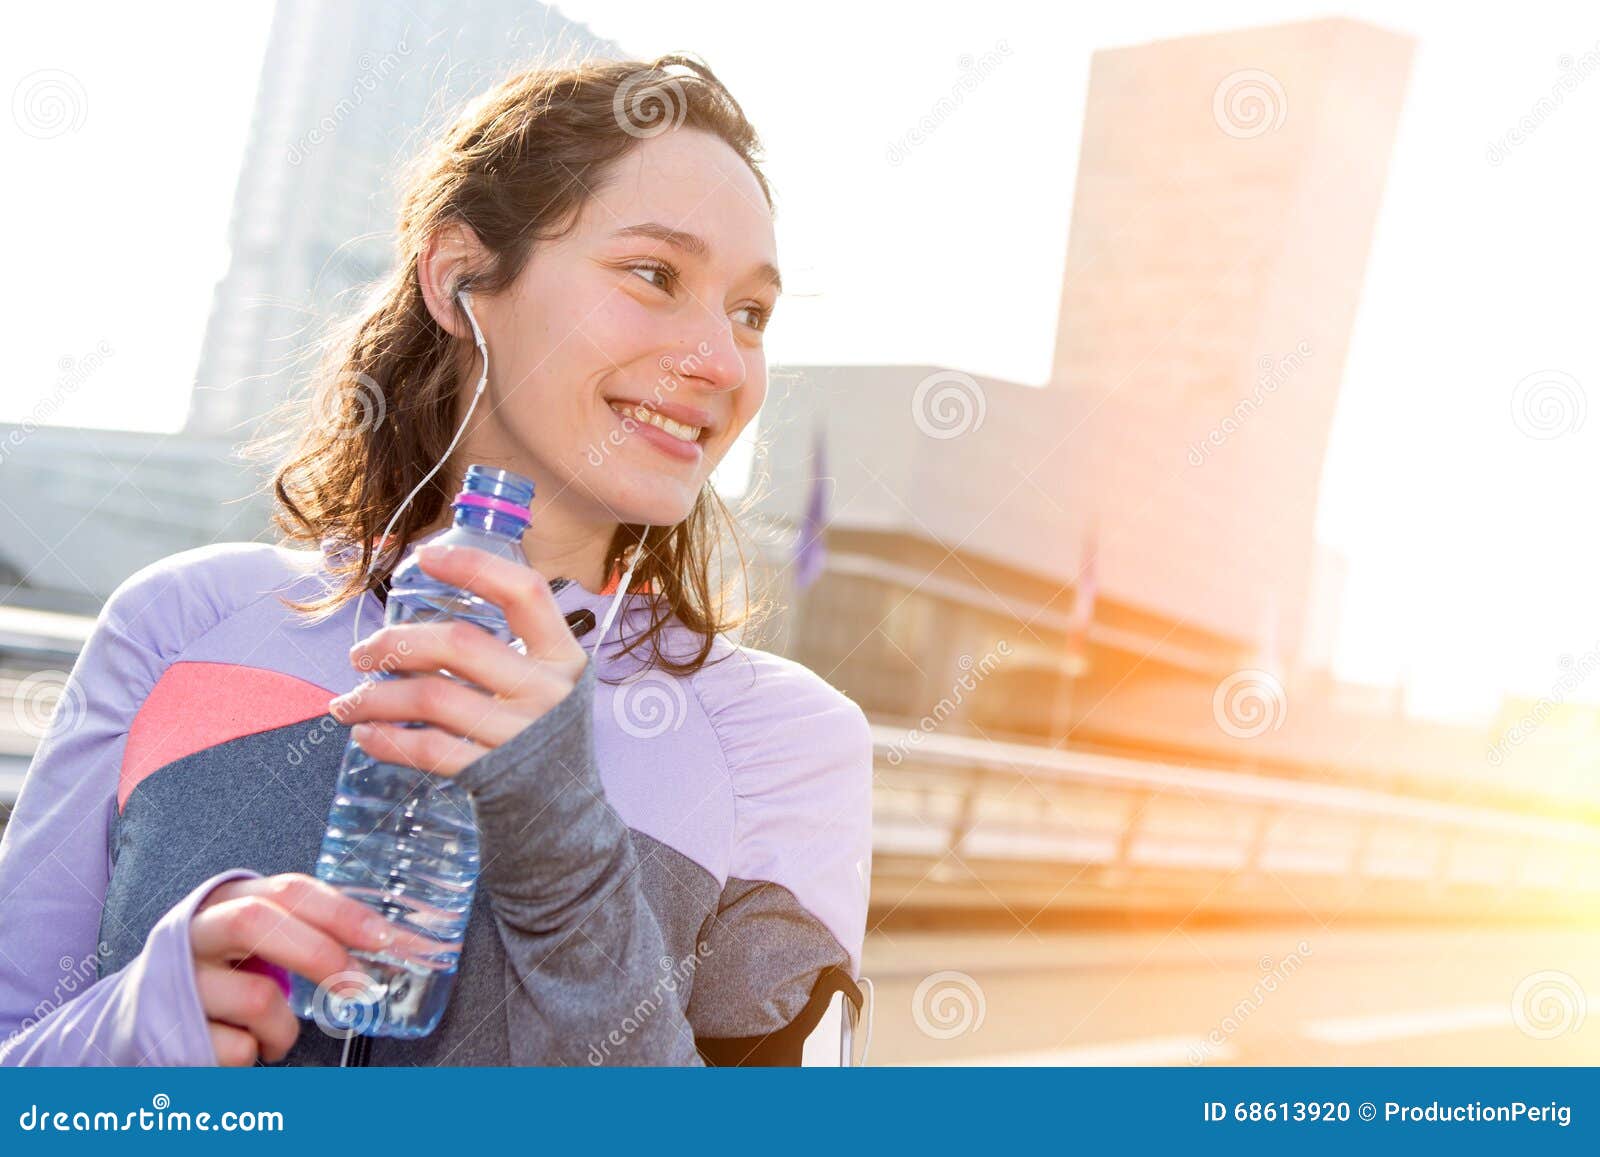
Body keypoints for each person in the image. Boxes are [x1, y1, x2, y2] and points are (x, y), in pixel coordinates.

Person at [0, 54, 872, 1066]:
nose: (721, 362)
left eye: (751, 314)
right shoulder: (179, 622)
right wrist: (134, 1028)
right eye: (653, 274)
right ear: (460, 278)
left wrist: (564, 852)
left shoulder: (779, 739)